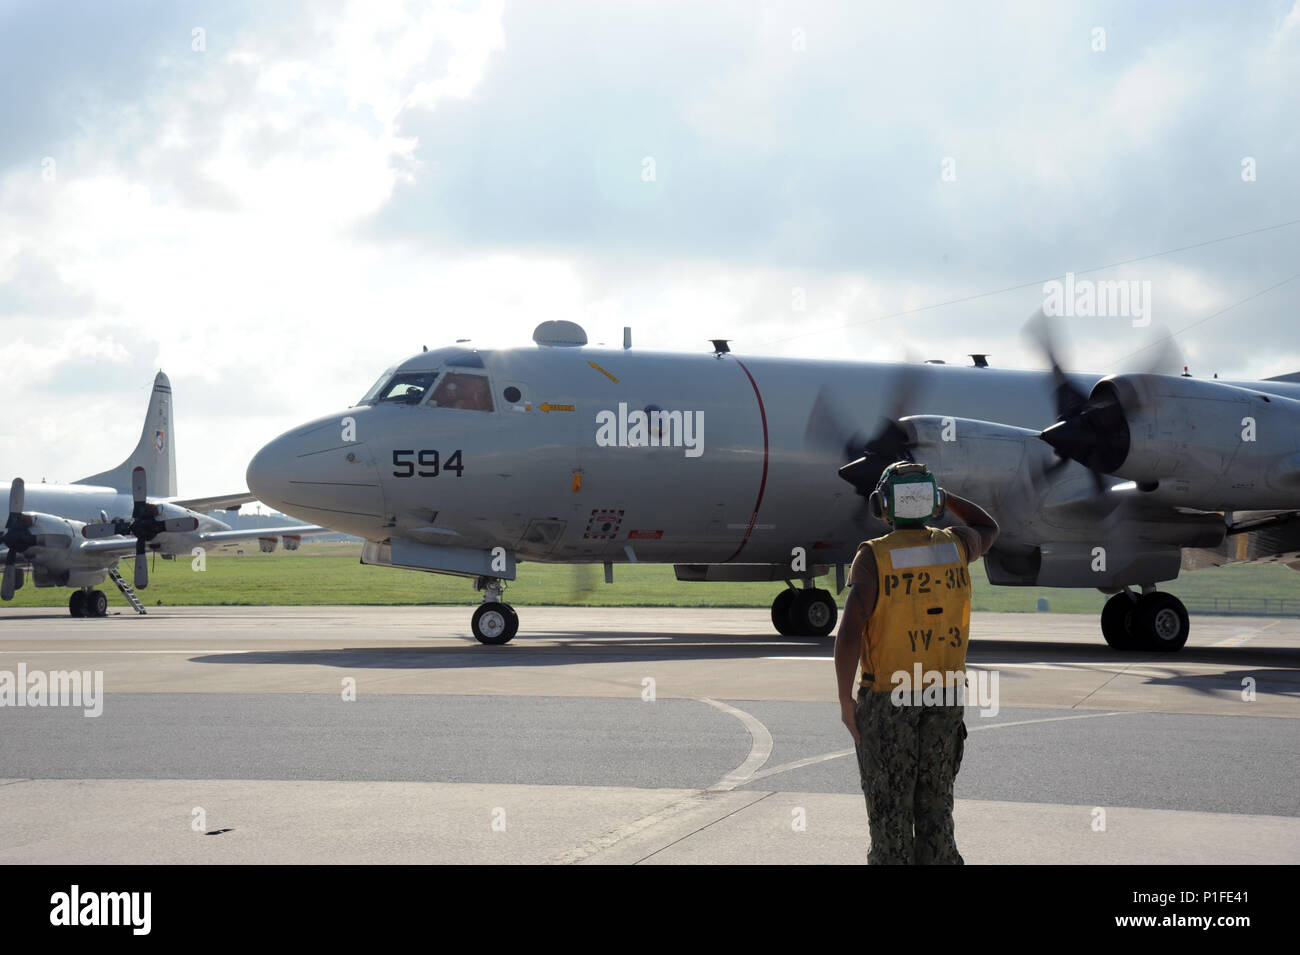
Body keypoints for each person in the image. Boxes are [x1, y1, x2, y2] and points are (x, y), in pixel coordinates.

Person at [833, 460, 999, 864]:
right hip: (943, 695)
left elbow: (850, 632)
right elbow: (989, 527)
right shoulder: (956, 545)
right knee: (936, 803)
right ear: (933, 502)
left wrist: (844, 700)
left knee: (890, 807)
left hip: (889, 697)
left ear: (882, 506)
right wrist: (947, 498)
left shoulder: (875, 557)